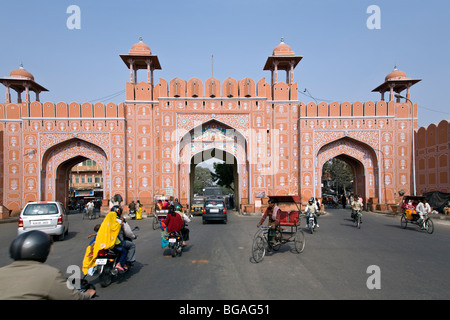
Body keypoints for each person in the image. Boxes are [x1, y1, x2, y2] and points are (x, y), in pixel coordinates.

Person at [0, 231, 95, 300]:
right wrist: (88, 294)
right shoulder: (49, 274)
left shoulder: (2, 272)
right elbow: (74, 297)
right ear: (42, 251)